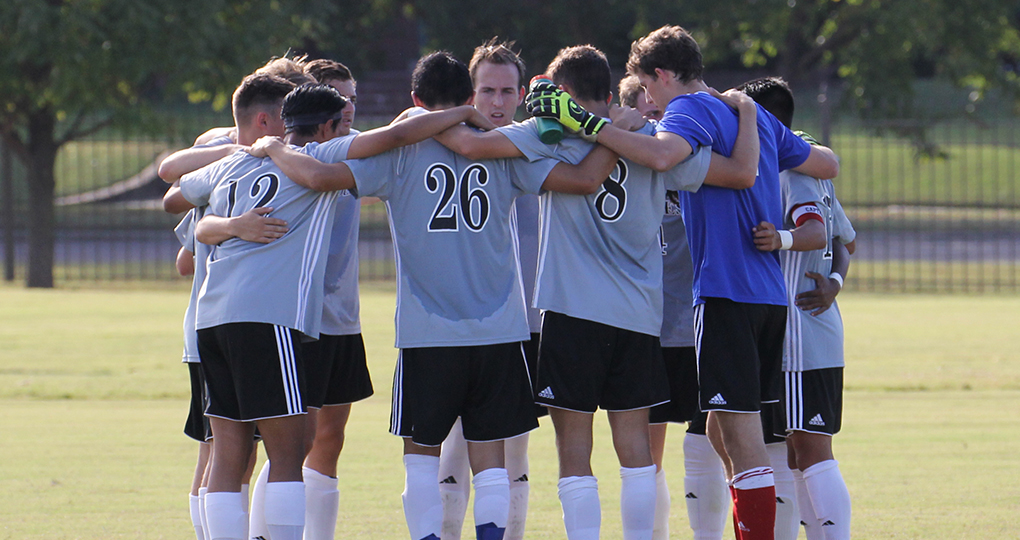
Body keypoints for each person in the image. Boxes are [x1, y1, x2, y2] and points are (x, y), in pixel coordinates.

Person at [250, 50, 621, 540]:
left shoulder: (397, 153)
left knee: (421, 459)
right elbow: (583, 180)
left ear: (415, 99)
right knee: (490, 460)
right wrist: (617, 133)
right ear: (469, 98)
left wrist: (272, 148)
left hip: (427, 334)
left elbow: (318, 177)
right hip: (499, 330)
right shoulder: (502, 148)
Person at [527, 26, 840, 540]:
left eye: (648, 88)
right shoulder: (752, 114)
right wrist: (748, 116)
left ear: (664, 75)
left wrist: (584, 122)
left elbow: (661, 155)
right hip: (768, 297)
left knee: (743, 439)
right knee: (720, 428)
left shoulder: (686, 111)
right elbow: (826, 163)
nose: (647, 101)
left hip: (725, 291)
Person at [442, 44, 759, 540]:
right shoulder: (652, 138)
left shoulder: (546, 135)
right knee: (635, 454)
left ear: (559, 95)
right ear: (610, 95)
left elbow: (471, 145)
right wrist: (748, 116)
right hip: (636, 317)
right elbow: (741, 174)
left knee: (574, 454)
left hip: (570, 314)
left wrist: (433, 113)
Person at [739, 76, 856, 540]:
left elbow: (816, 231)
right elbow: (850, 240)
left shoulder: (791, 171)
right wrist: (835, 282)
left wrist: (780, 239)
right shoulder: (804, 162)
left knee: (811, 453)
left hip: (801, 339)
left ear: (763, 121)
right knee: (795, 454)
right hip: (809, 330)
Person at [435, 38, 540, 540]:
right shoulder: (444, 143)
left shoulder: (538, 140)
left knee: (514, 445)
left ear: (521, 94)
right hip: (457, 316)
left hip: (527, 317)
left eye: (506, 91)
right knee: (453, 443)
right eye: (487, 91)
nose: (497, 102)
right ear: (469, 94)